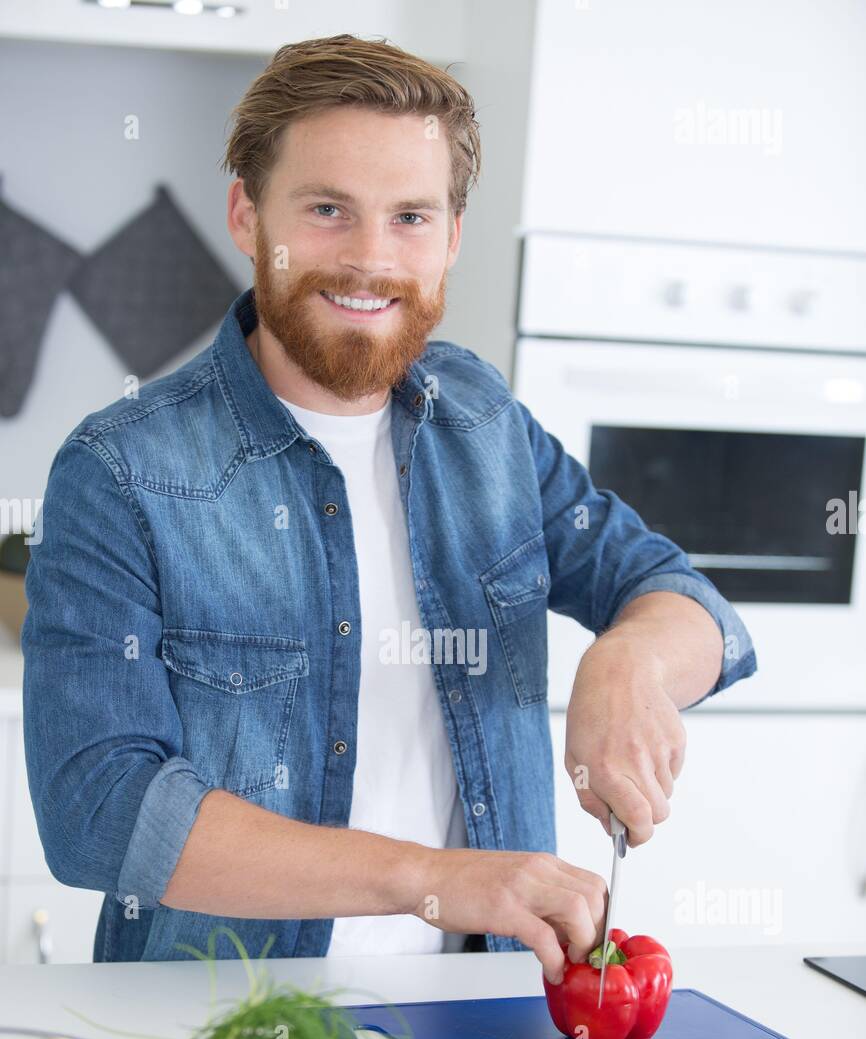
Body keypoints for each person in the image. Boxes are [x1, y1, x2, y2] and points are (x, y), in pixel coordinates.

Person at [21, 34, 756, 976]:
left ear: (451, 236)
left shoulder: (482, 422)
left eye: (410, 216)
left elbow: (679, 596)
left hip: (491, 1008)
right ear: (248, 216)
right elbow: (101, 811)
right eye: (328, 210)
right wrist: (434, 877)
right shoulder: (122, 469)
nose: (371, 259)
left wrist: (630, 664)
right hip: (231, 1033)